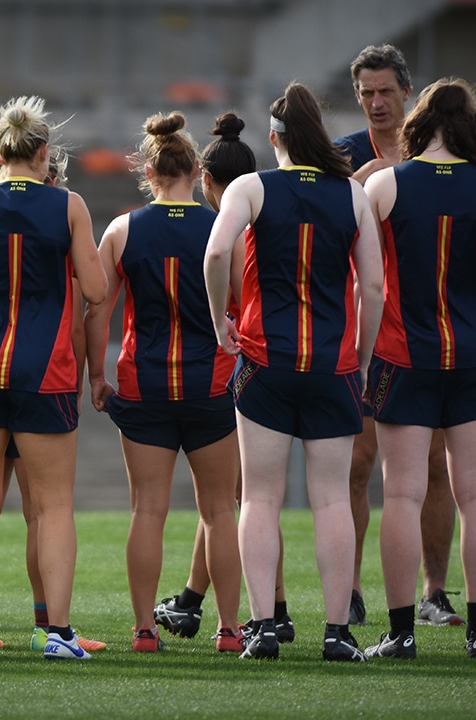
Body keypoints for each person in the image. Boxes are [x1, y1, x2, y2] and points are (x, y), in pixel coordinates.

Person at [204, 82, 383, 662]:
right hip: (332, 365)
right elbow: (374, 287)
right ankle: (337, 633)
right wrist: (362, 352)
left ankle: (261, 629)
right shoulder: (352, 196)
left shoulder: (251, 187)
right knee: (332, 500)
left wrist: (218, 325)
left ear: (274, 138)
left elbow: (214, 253)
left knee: (260, 498)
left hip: (265, 362)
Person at [0, 95, 106, 660]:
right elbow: (96, 290)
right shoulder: (69, 205)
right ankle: (58, 634)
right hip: (46, 369)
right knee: (55, 506)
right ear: (43, 152)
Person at [364, 78, 476, 660]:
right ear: (468, 126)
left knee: (401, 495)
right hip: (475, 354)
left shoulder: (385, 185)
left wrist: (362, 356)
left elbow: (372, 287)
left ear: (419, 121)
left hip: (403, 355)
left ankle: (401, 634)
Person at [85, 111, 244, 653]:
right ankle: (228, 629)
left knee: (147, 511)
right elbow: (242, 307)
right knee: (221, 512)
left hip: (145, 383)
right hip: (211, 386)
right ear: (197, 169)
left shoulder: (123, 229)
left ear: (146, 171)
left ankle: (145, 631)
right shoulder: (221, 227)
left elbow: (97, 312)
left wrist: (95, 377)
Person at [153, 112, 296, 646]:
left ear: (207, 180)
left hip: (236, 367)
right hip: (254, 362)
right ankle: (192, 599)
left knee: (246, 499)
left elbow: (233, 297)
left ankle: (271, 608)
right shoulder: (257, 219)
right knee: (231, 498)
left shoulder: (231, 226)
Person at [334, 43, 463, 627]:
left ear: (408, 92)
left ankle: (434, 592)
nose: (377, 103)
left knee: (435, 465)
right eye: (367, 93)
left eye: (387, 91)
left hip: (430, 333)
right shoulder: (342, 160)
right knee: (358, 463)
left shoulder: (443, 155)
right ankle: (354, 590)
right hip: (366, 332)